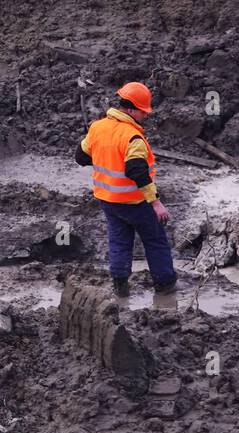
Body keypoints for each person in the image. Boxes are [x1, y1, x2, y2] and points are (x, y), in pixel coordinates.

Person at [75, 81, 177, 296]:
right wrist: (156, 203)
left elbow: (81, 156)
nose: (145, 116)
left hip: (109, 201)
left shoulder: (97, 127)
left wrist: (105, 155)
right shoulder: (133, 137)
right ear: (130, 110)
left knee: (119, 242)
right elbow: (137, 171)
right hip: (135, 202)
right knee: (155, 241)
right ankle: (165, 286)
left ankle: (120, 289)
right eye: (143, 111)